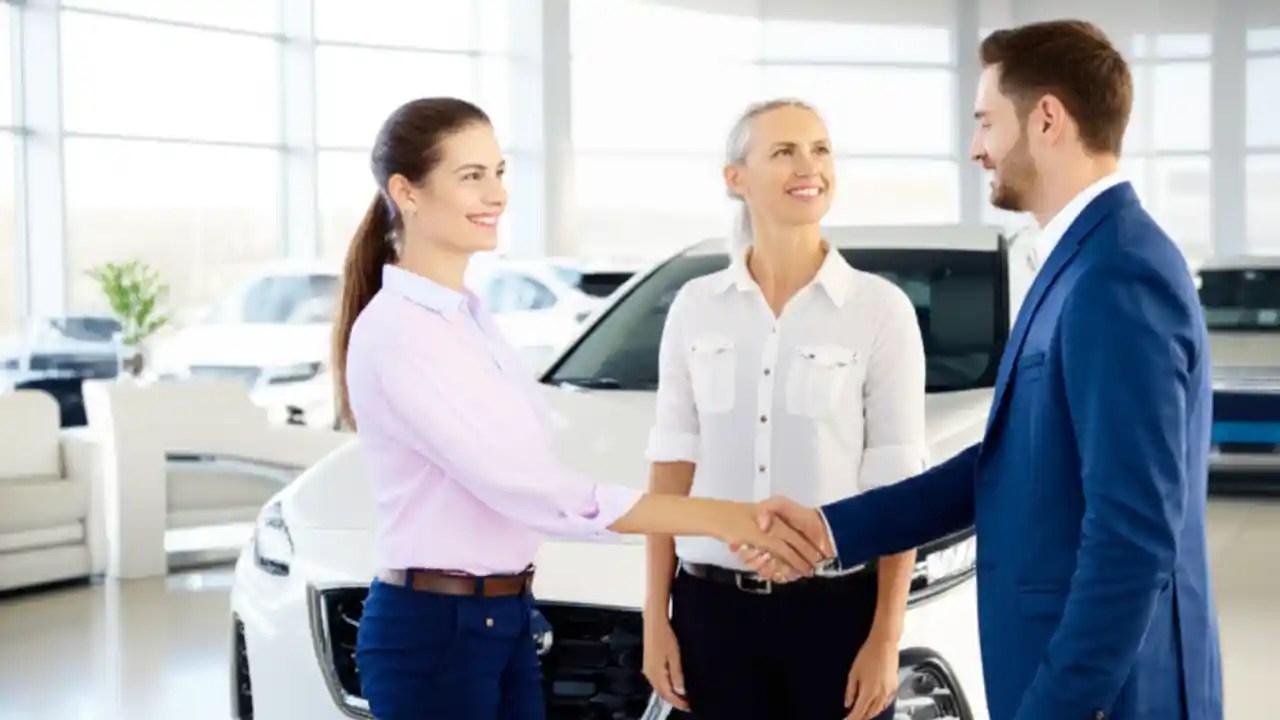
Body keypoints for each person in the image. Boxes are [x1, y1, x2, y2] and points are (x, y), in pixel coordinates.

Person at [741, 20, 1223, 720]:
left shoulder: (1117, 275)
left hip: (1111, 696)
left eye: (986, 122)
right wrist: (832, 530)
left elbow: (1133, 536)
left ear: (1048, 119)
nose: (976, 149)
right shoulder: (1080, 261)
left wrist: (1055, 707)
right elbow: (1010, 459)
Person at [331, 97, 830, 720]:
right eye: (471, 176)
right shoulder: (400, 333)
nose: (496, 194)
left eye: (500, 172)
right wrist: (720, 518)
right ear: (406, 191)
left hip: (499, 618)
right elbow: (524, 487)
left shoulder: (471, 320)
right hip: (436, 633)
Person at [641, 98, 927, 720]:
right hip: (710, 614)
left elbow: (898, 487)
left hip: (836, 613)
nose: (810, 166)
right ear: (735, 178)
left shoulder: (880, 310)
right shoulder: (695, 306)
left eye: (821, 149)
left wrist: (885, 638)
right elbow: (671, 466)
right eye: (784, 151)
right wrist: (655, 620)